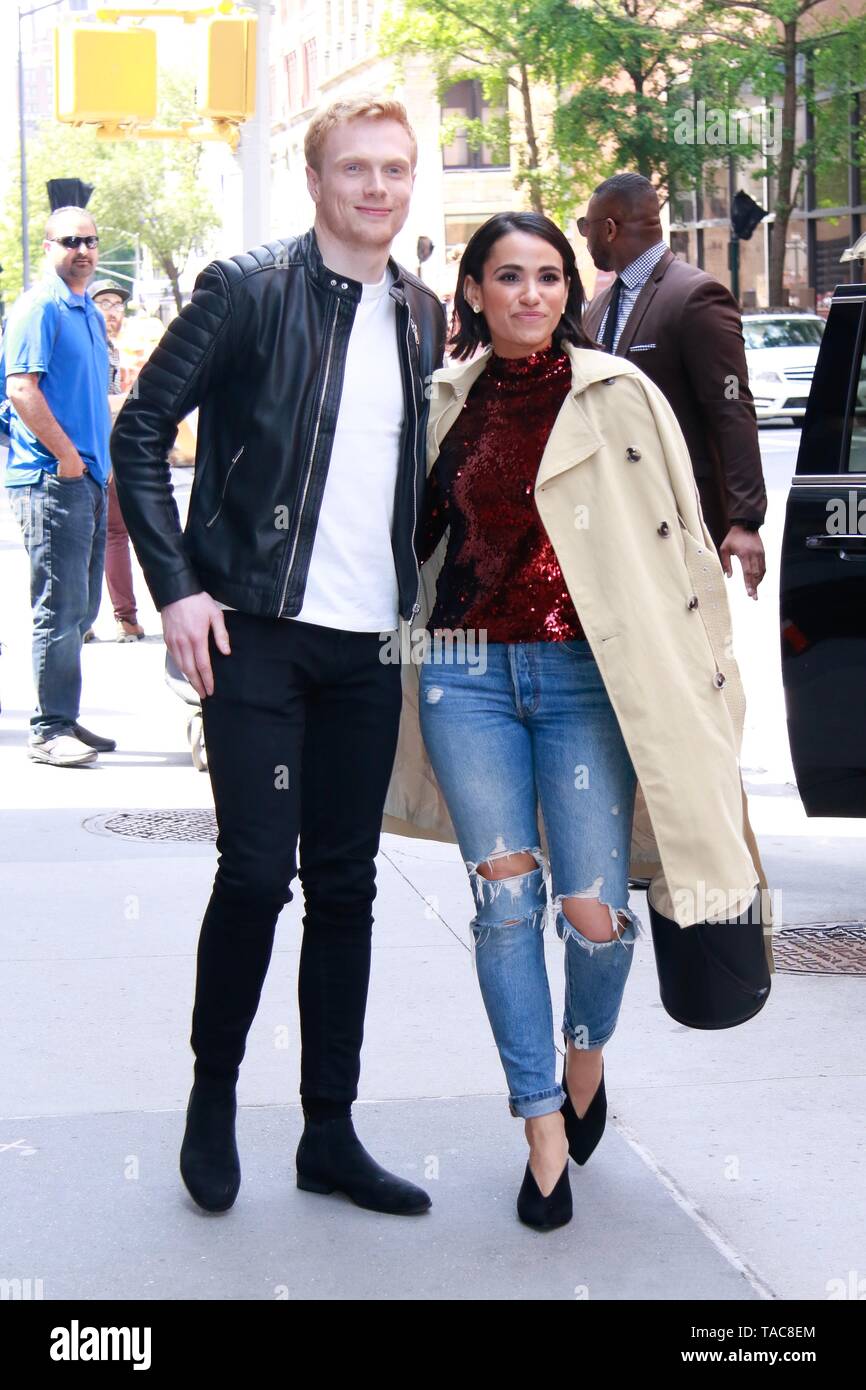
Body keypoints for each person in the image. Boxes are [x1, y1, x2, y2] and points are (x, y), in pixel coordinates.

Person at [381, 211, 772, 1232]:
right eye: (506, 277)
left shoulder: (619, 394)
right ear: (470, 292)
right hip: (464, 678)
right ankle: (539, 1123)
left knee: (591, 914)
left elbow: (682, 550)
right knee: (503, 907)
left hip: (584, 684)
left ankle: (583, 1057)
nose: (529, 295)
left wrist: (708, 683)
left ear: (568, 291)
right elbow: (402, 549)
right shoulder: (437, 406)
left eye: (548, 277)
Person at [110, 97, 446, 1217]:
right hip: (253, 629)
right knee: (258, 871)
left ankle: (327, 1131)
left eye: (394, 169)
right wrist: (177, 589)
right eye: (355, 168)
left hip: (366, 645)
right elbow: (141, 431)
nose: (376, 188)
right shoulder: (245, 289)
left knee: (346, 887)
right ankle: (212, 1098)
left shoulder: (422, 313)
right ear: (315, 179)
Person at [580, 173, 767, 599]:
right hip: (610, 519)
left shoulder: (695, 296)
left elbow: (732, 407)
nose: (585, 238)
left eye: (585, 227)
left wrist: (745, 520)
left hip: (679, 519)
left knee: (688, 656)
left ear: (608, 229)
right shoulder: (600, 307)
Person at [2, 206, 115, 767]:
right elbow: (22, 390)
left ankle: (64, 716)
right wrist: (67, 457)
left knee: (82, 607)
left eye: (92, 241)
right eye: (71, 240)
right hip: (52, 480)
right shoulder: (40, 307)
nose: (84, 250)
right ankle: (49, 729)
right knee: (60, 606)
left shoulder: (88, 313)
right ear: (49, 246)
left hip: (87, 479)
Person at [89, 279, 146, 642]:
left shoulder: (115, 351)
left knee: (108, 533)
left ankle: (111, 617)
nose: (113, 312)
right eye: (105, 303)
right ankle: (120, 617)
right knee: (108, 534)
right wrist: (127, 398)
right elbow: (99, 401)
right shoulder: (91, 346)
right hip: (92, 449)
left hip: (112, 447)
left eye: (118, 305)